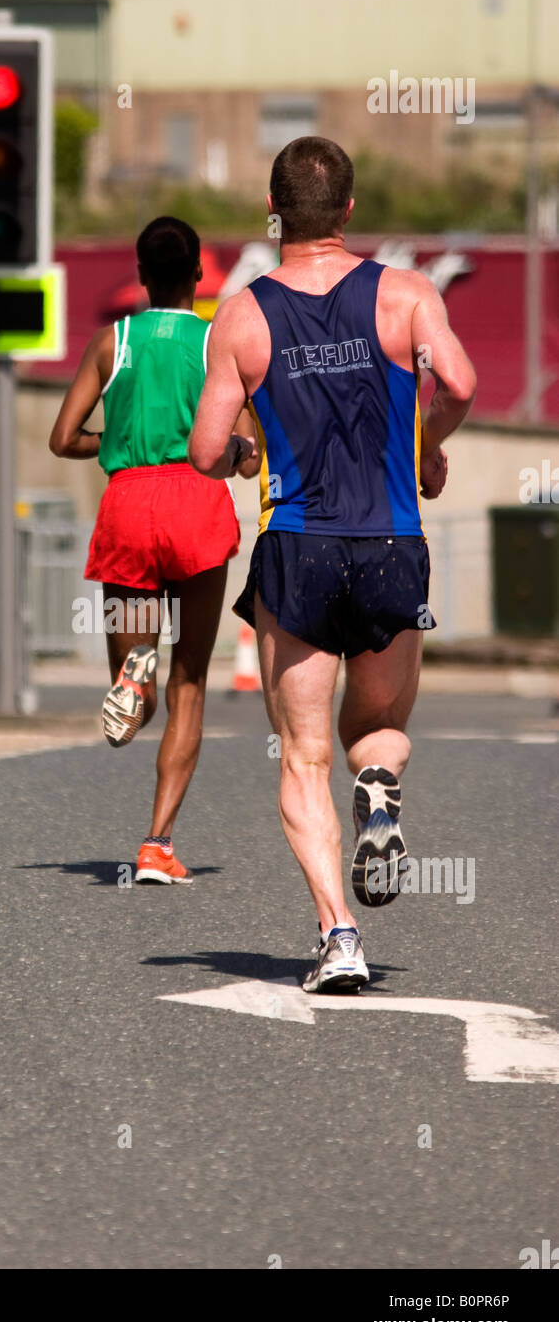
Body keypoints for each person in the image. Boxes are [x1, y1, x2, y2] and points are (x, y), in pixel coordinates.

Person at [189, 137, 476, 990]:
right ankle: (381, 784)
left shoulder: (241, 316)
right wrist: (426, 445)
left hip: (298, 551)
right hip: (391, 542)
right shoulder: (406, 294)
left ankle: (339, 938)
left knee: (305, 755)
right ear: (350, 211)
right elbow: (457, 380)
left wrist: (245, 449)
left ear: (272, 215)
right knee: (377, 727)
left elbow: (205, 450)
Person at [50, 216, 259, 884]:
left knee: (132, 694)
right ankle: (157, 846)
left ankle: (130, 675)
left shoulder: (110, 342)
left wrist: (112, 448)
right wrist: (234, 453)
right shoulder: (213, 341)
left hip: (127, 507)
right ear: (199, 276)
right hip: (197, 504)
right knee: (190, 683)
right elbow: (247, 457)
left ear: (140, 276)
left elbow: (63, 437)